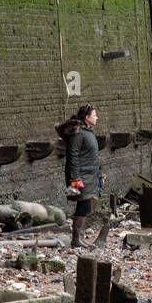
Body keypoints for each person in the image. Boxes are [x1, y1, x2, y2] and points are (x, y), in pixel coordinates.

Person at [56, 104, 104, 249]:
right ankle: (76, 239)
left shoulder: (88, 132)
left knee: (88, 204)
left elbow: (91, 155)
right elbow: (73, 156)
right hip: (81, 175)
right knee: (83, 205)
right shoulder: (78, 133)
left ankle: (80, 237)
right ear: (87, 118)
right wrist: (75, 179)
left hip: (91, 174)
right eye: (94, 115)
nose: (97, 117)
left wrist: (99, 172)